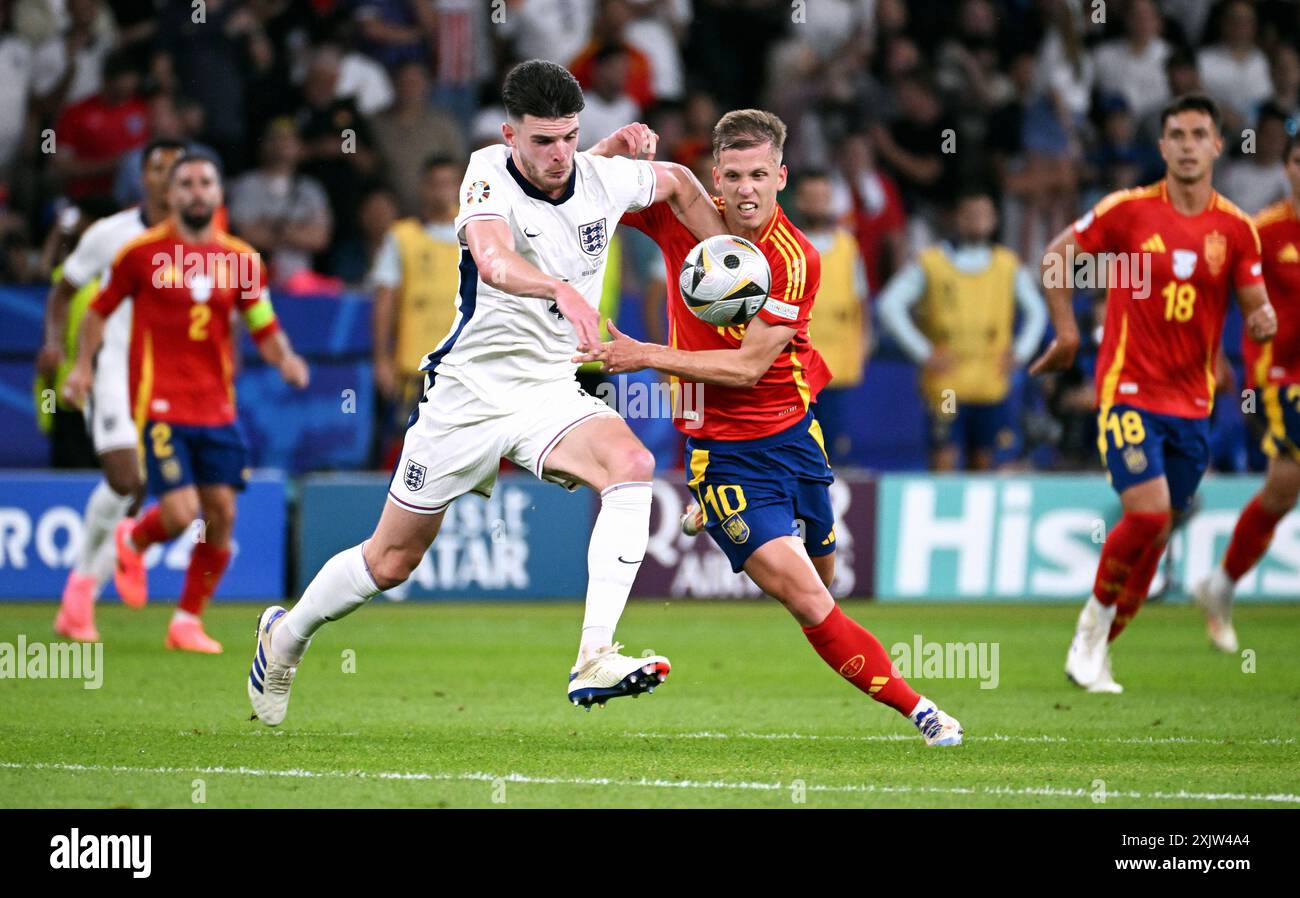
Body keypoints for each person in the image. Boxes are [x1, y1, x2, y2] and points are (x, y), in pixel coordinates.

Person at [245, 60, 724, 726]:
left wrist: (733, 254)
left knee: (632, 463)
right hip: (466, 393)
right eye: (542, 142)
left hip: (551, 389)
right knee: (390, 560)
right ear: (509, 136)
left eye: (570, 138)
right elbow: (495, 259)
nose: (559, 156)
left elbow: (676, 182)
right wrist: (556, 286)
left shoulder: (603, 178)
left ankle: (594, 655)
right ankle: (286, 636)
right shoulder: (484, 171)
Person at [581, 109, 963, 747]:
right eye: (733, 175)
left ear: (781, 176)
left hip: (793, 435)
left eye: (760, 174)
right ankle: (920, 709)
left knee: (828, 574)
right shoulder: (679, 212)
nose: (746, 189)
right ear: (716, 177)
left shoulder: (796, 258)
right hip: (724, 455)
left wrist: (644, 355)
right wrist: (612, 146)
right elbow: (574, 195)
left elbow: (747, 366)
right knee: (810, 598)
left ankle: (718, 513)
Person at [1031, 93, 1276, 694]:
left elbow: (1254, 306)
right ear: (1162, 146)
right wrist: (1067, 332)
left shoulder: (1236, 229)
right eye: (1177, 134)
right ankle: (1089, 630)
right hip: (1128, 391)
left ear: (1218, 145)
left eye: (1199, 134)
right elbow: (1059, 256)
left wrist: (1265, 320)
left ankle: (1101, 647)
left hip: (1193, 404)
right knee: (1148, 514)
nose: (1188, 144)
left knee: (1158, 532)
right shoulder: (1129, 214)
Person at [63, 154, 311, 653]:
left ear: (219, 193)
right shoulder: (141, 254)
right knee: (181, 514)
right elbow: (97, 311)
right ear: (170, 196)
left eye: (206, 183)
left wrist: (285, 359)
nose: (197, 192)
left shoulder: (241, 260)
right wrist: (83, 367)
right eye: (186, 184)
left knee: (221, 514)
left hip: (217, 408)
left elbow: (262, 323)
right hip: (159, 405)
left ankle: (186, 621)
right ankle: (133, 540)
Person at [39, 138, 187, 642]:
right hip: (113, 373)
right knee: (125, 478)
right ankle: (81, 590)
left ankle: (80, 597)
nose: (168, 179)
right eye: (159, 169)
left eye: (177, 170)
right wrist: (64, 355)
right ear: (143, 178)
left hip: (168, 379)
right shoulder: (111, 235)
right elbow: (64, 291)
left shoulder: (202, 243)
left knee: (146, 493)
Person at [1195, 133, 1300, 652]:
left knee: (1282, 494)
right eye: (1299, 161)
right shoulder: (1264, 231)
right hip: (1282, 380)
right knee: (1285, 485)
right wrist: (1214, 354)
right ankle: (1223, 584)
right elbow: (1216, 293)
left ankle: (1220, 584)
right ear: (1286, 167)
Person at [878, 187, 1047, 471]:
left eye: (983, 214)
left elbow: (1037, 311)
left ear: (994, 219)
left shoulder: (1007, 265)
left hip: (990, 383)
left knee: (984, 462)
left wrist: (1020, 352)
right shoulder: (932, 262)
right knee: (943, 457)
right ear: (957, 219)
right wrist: (923, 352)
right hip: (947, 384)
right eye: (970, 215)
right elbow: (889, 305)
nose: (977, 221)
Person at [370, 155, 464, 465]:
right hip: (414, 367)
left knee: (467, 443)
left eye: (448, 184)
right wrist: (381, 359)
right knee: (406, 443)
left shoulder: (476, 232)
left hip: (467, 363)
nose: (442, 192)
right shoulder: (401, 237)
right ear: (423, 188)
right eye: (435, 184)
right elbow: (385, 300)